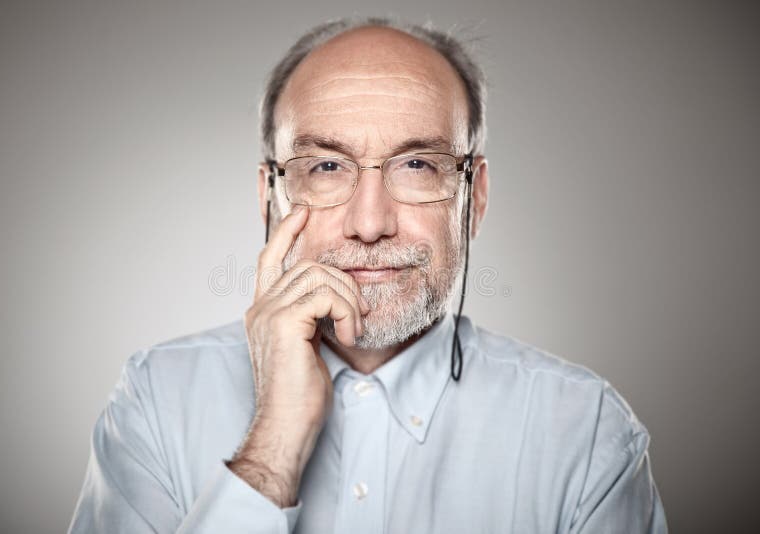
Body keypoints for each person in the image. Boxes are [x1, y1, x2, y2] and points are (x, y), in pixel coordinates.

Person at [68, 17, 667, 534]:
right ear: (268, 197)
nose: (371, 222)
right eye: (327, 166)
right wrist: (273, 445)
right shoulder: (153, 401)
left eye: (416, 165)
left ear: (474, 199)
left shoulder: (586, 434)